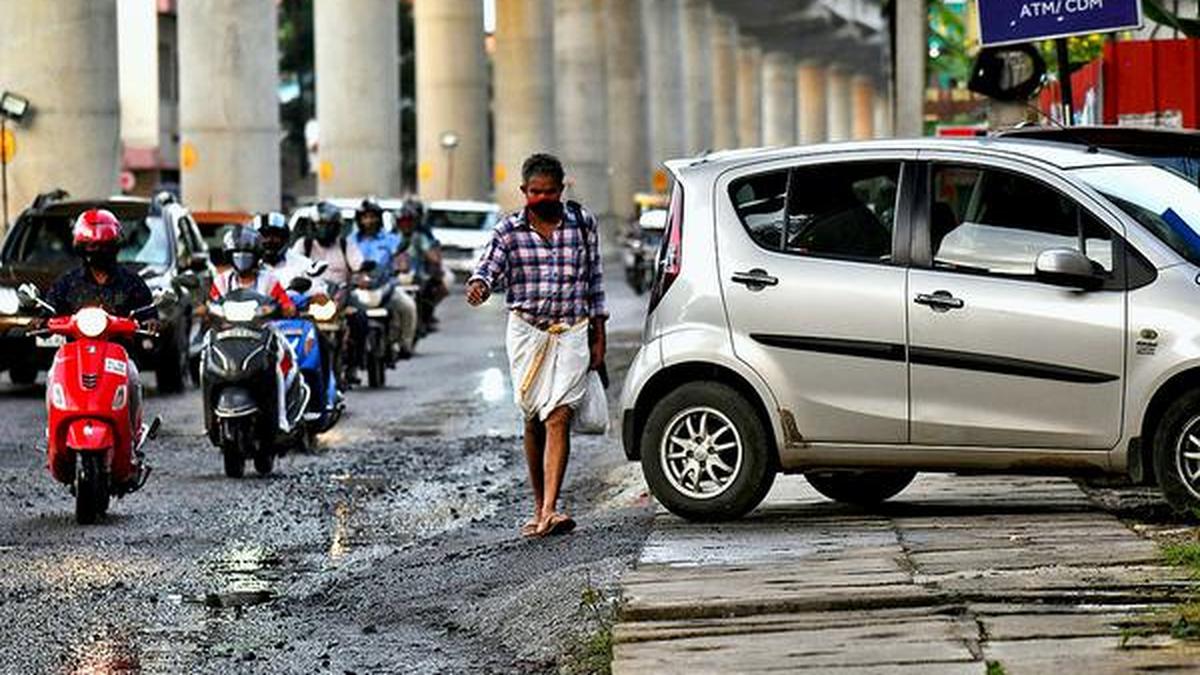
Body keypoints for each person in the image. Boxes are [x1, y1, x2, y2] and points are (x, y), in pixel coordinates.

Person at [467, 153, 607, 538]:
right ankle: (537, 504)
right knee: (532, 417)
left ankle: (549, 510)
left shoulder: (582, 224)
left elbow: (594, 280)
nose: (542, 198)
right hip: (527, 332)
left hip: (573, 331)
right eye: (535, 192)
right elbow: (487, 269)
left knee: (558, 416)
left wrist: (600, 336)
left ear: (562, 190)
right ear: (524, 192)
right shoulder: (508, 231)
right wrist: (478, 286)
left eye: (550, 191)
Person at [44, 209, 158, 471]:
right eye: (91, 246)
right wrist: (41, 319)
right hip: (74, 355)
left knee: (132, 377)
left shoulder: (132, 282)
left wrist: (150, 321)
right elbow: (48, 310)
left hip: (118, 356)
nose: (97, 251)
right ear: (81, 248)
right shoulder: (67, 283)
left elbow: (148, 312)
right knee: (53, 378)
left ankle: (133, 435)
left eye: (104, 246)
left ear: (115, 247)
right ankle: (53, 435)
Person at [293, 201, 369, 382]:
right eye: (320, 225)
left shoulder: (345, 245)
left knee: (361, 318)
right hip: (310, 299)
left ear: (337, 227)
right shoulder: (303, 245)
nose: (323, 229)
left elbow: (358, 265)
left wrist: (361, 276)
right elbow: (291, 267)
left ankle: (354, 365)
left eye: (328, 225)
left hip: (341, 296)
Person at [350, 198, 419, 359]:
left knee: (409, 306)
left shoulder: (390, 239)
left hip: (384, 286)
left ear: (379, 218)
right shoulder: (350, 241)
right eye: (365, 217)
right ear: (359, 219)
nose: (369, 221)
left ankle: (405, 344)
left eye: (372, 216)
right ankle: (351, 357)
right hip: (357, 289)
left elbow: (401, 257)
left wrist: (401, 265)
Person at [396, 198, 448, 333]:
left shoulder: (420, 236)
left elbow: (433, 255)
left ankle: (426, 317)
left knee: (434, 289)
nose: (406, 225)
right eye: (403, 221)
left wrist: (433, 260)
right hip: (394, 276)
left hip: (418, 275)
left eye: (409, 221)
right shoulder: (391, 237)